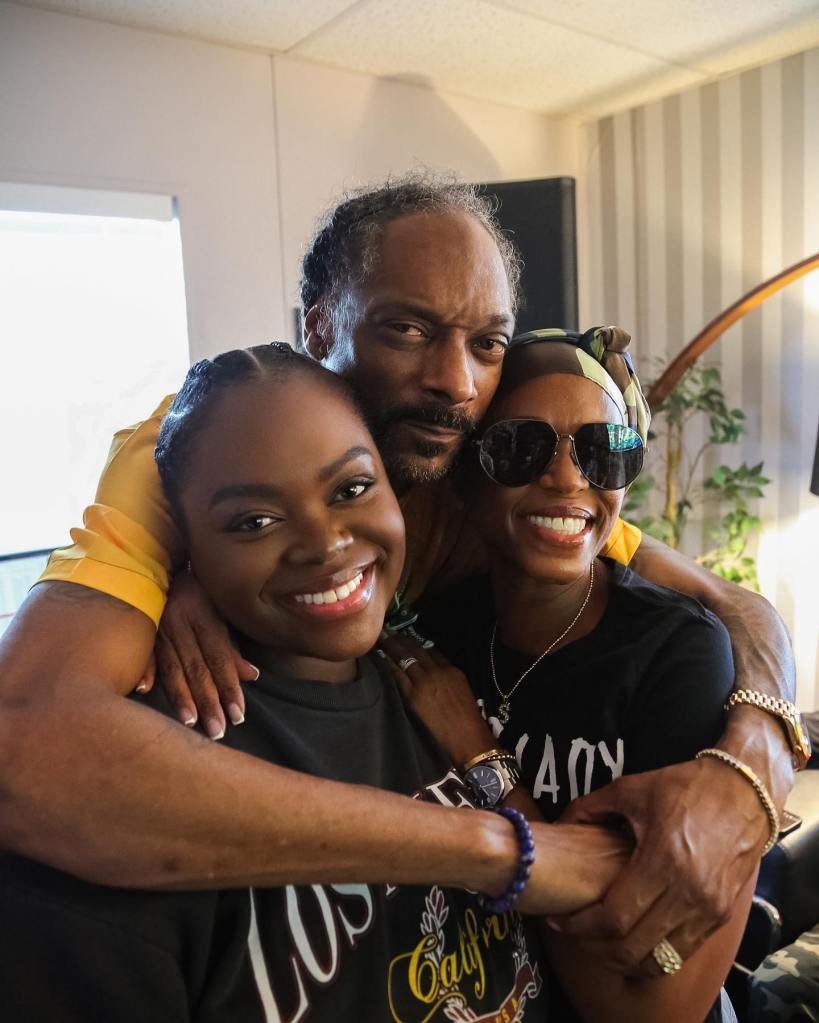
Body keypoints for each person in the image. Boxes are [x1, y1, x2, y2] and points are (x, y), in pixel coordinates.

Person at [0, 173, 801, 974]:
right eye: (408, 330)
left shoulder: (475, 458)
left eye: (487, 343)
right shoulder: (198, 443)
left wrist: (755, 757)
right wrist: (502, 848)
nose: (455, 380)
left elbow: (730, 601)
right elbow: (25, 748)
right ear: (321, 327)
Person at [0, 344, 631, 1021]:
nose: (324, 542)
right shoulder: (113, 797)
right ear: (182, 547)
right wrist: (500, 849)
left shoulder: (435, 668)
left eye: (351, 488)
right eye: (253, 521)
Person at [380, 328, 755, 1021]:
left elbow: (644, 1010)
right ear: (465, 476)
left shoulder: (676, 653)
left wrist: (479, 755)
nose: (566, 478)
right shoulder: (435, 633)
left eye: (601, 450)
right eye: (520, 446)